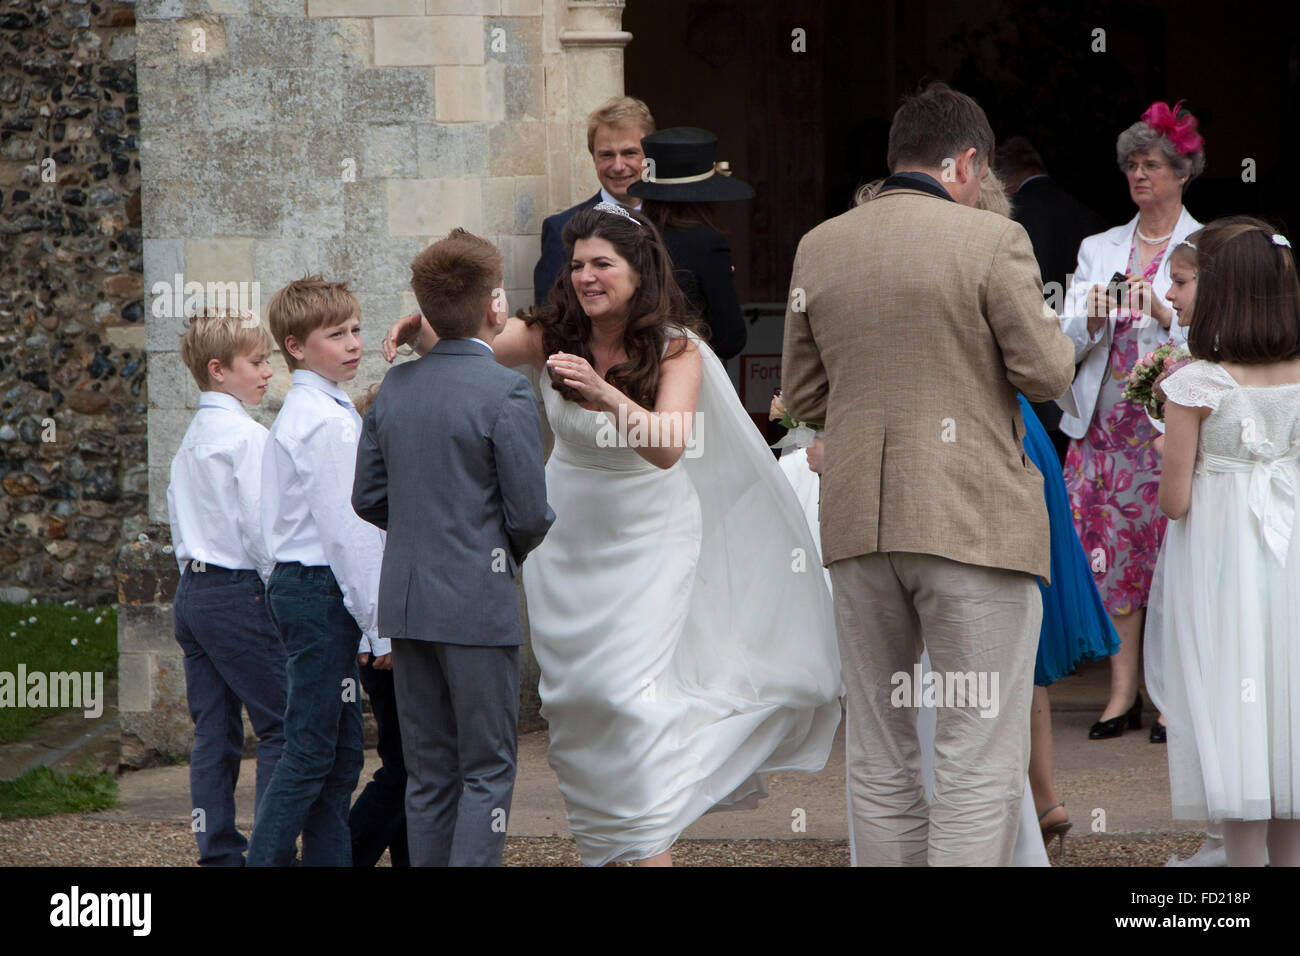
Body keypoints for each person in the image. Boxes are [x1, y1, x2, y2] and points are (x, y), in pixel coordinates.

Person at [382, 203, 841, 868]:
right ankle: (605, 848)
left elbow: (667, 446)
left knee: (629, 701)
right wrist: (420, 329)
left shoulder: (676, 348)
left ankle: (648, 844)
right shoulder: (550, 332)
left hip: (648, 538)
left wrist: (606, 393)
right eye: (577, 265)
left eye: (603, 263)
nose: (587, 276)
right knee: (575, 706)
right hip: (568, 542)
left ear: (639, 272)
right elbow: (466, 345)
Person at [781, 82, 1076, 866]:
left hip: (859, 522)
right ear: (968, 162)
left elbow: (804, 396)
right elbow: (1047, 372)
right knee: (976, 749)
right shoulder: (989, 242)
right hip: (971, 519)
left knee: (879, 755)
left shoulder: (821, 244)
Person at [353, 230, 555, 867]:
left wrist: (420, 527)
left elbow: (367, 498)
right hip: (475, 599)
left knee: (430, 771)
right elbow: (528, 513)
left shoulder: (396, 390)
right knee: (488, 770)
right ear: (496, 304)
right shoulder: (507, 391)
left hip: (409, 604)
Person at [1153, 217, 1300, 866]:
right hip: (1289, 566)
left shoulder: (1196, 385)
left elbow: (1175, 500)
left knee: (1238, 714)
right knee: (1286, 708)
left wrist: (1170, 450)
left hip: (1224, 573)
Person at [1057, 100, 1205, 742]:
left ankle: (1171, 696)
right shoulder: (1099, 247)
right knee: (1109, 561)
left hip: (1167, 432)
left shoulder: (1206, 245)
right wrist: (1090, 314)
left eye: (1152, 164)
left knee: (1170, 558)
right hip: (1102, 432)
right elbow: (1061, 341)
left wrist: (1166, 314)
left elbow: (1220, 339)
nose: (1139, 175)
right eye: (1132, 166)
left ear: (1181, 172)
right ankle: (1122, 694)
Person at [246, 277, 385, 867]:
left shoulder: (325, 408)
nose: (354, 343)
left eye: (355, 329)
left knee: (342, 756)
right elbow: (347, 529)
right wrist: (377, 624)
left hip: (317, 591)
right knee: (309, 750)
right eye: (337, 334)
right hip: (321, 589)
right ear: (296, 347)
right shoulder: (323, 420)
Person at [166, 308, 286, 867]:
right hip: (239, 593)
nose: (268, 372)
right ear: (218, 370)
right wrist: (278, 594)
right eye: (257, 362)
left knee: (214, 734)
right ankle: (269, 853)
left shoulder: (191, 439)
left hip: (191, 594)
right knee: (283, 727)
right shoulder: (247, 437)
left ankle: (218, 855)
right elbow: (262, 531)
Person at [995, 135, 1110, 464]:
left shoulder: (1004, 222)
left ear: (1003, 179)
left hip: (1022, 387)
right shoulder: (1091, 219)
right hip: (1077, 395)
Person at [345, 383, 411, 868]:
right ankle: (346, 856)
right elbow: (366, 568)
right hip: (385, 646)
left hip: (393, 640)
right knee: (405, 768)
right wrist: (380, 636)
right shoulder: (371, 496)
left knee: (410, 765)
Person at [627, 127, 752, 360]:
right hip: (689, 376)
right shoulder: (707, 243)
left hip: (628, 374)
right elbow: (730, 339)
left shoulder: (626, 236)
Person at [533, 96, 654, 307]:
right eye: (606, 155)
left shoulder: (675, 221)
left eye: (629, 153)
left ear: (650, 157)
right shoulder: (561, 229)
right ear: (593, 158)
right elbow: (548, 316)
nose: (618, 166)